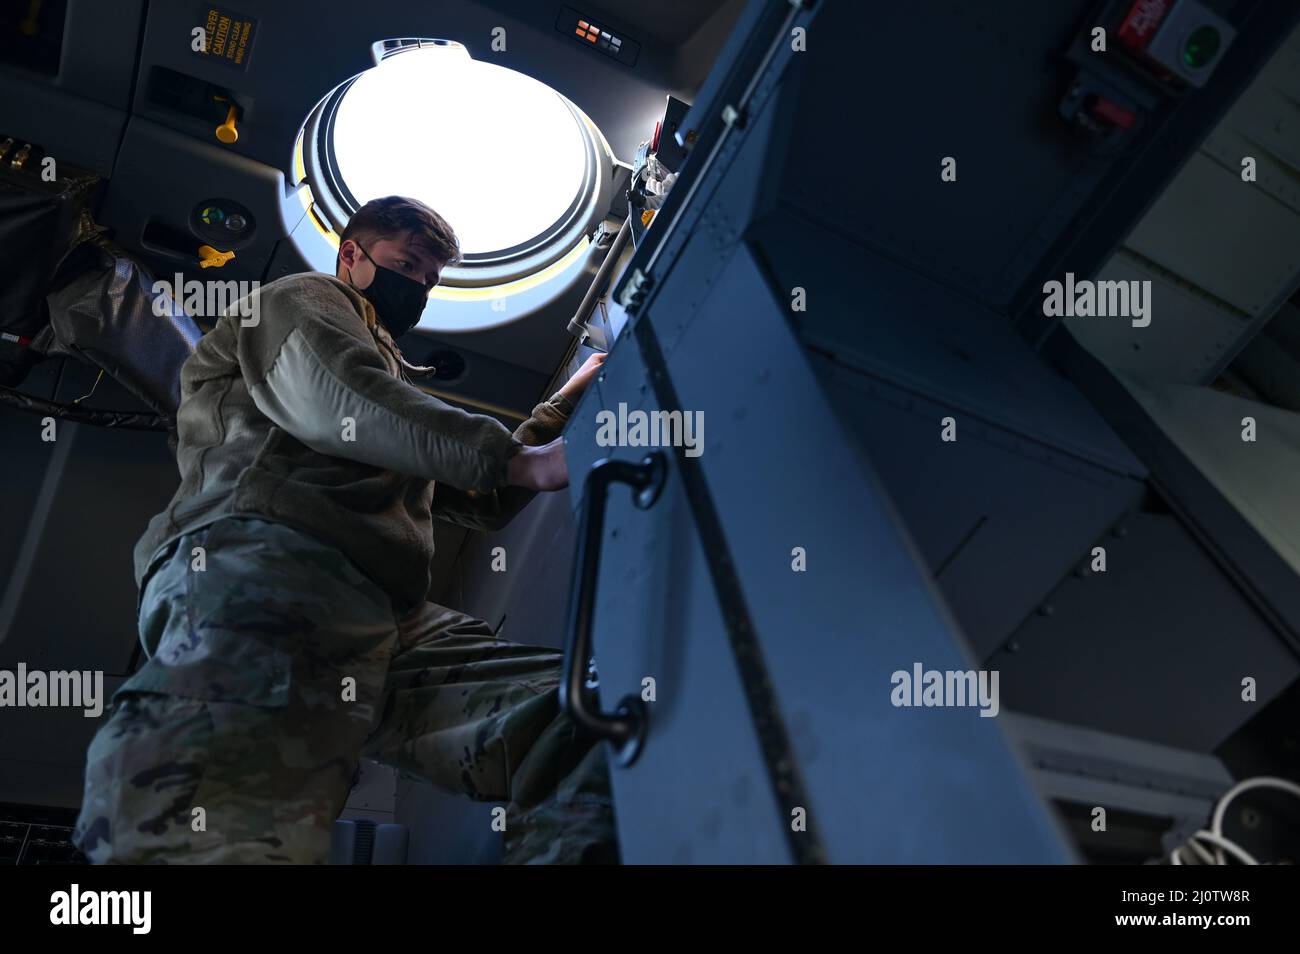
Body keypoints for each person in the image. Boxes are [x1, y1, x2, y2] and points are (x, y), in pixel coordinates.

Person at [72, 195, 614, 864]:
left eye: (430, 279)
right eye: (407, 263)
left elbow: (484, 498)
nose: (417, 285)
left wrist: (567, 400)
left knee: (582, 719)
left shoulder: (390, 388)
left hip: (386, 614)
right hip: (268, 564)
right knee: (202, 825)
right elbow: (337, 391)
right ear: (351, 255)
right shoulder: (300, 300)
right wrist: (513, 457)